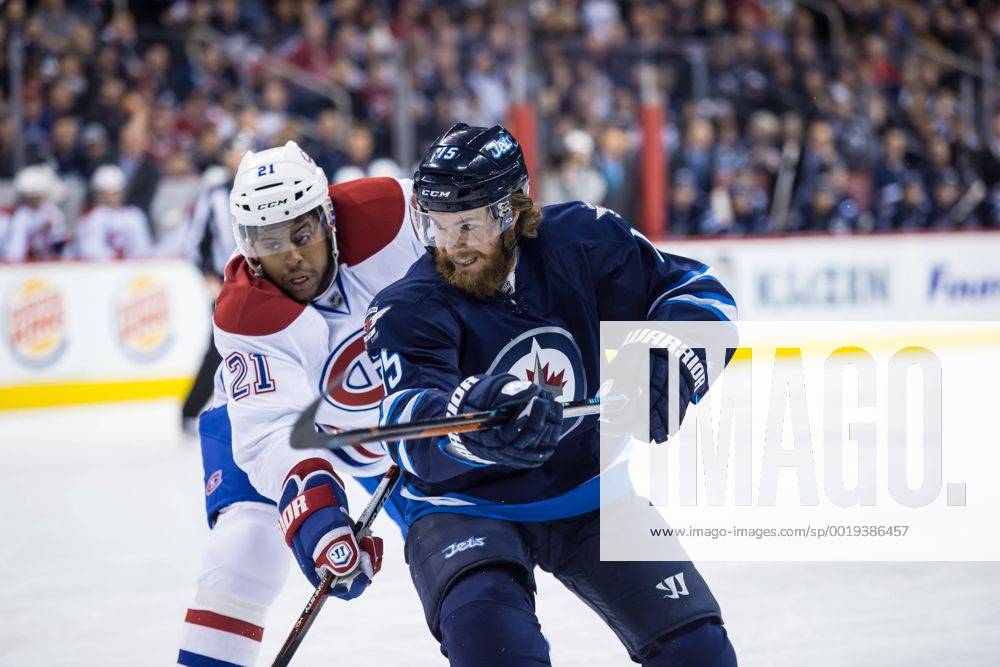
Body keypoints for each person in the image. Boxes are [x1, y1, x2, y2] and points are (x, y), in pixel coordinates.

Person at [364, 124, 738, 666]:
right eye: (437, 225)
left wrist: (670, 360)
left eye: (468, 223)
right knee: (502, 656)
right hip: (464, 510)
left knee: (699, 653)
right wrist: (472, 419)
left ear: (513, 209)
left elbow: (701, 293)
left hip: (588, 492)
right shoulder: (408, 306)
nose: (453, 244)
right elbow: (407, 423)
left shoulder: (580, 239)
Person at [177, 141, 424, 667]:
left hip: (393, 416)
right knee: (244, 549)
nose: (289, 255)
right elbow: (271, 436)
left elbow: (484, 267)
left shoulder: (392, 217)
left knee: (460, 545)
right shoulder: (245, 312)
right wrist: (315, 517)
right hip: (278, 422)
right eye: (269, 242)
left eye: (301, 233)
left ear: (328, 217)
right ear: (247, 246)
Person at [75, 164, 153, 259]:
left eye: (114, 193)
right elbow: (88, 251)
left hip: (131, 268)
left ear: (122, 192)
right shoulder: (90, 217)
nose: (109, 198)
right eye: (104, 194)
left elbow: (143, 248)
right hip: (99, 270)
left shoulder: (135, 215)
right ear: (96, 194)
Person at [4, 164, 69, 262]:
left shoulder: (52, 212)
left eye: (36, 195)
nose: (34, 200)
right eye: (30, 196)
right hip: (20, 262)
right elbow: (14, 249)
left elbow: (60, 242)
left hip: (46, 262)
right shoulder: (18, 214)